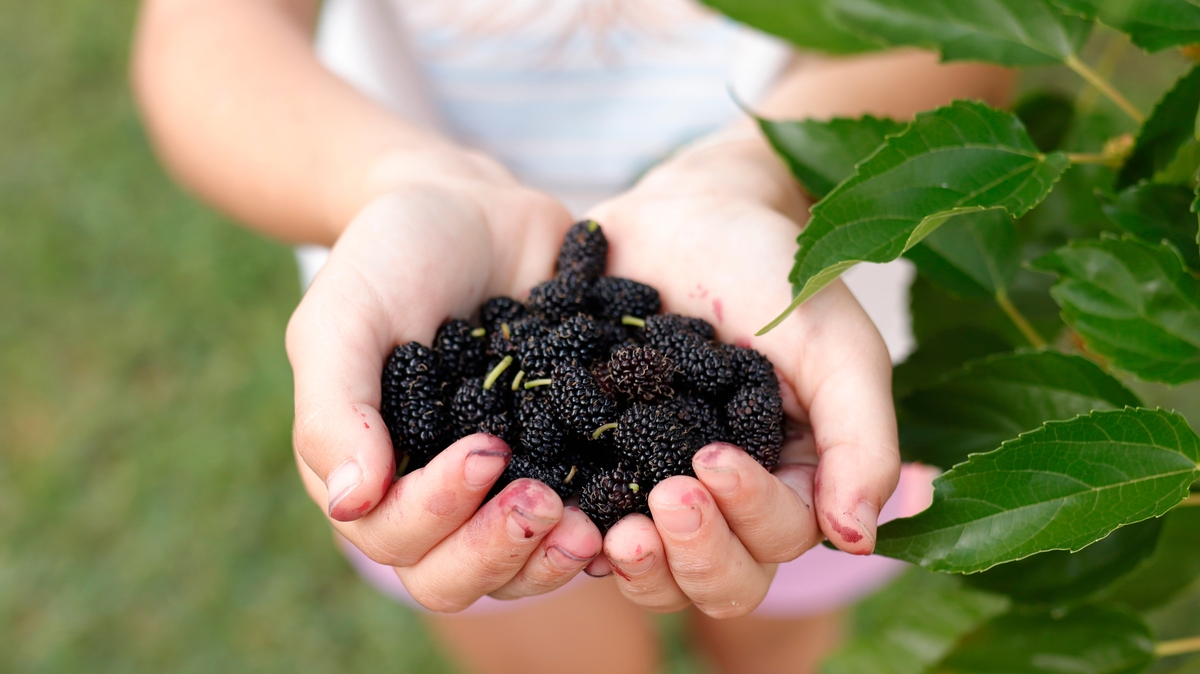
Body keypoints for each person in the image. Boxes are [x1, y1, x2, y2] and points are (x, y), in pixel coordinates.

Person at [131, 1, 1011, 672]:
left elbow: (956, 32)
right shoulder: (521, 377)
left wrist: (754, 169)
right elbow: (208, 33)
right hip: (432, 257)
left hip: (784, 313)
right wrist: (396, 180)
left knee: (776, 615)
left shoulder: (699, 371)